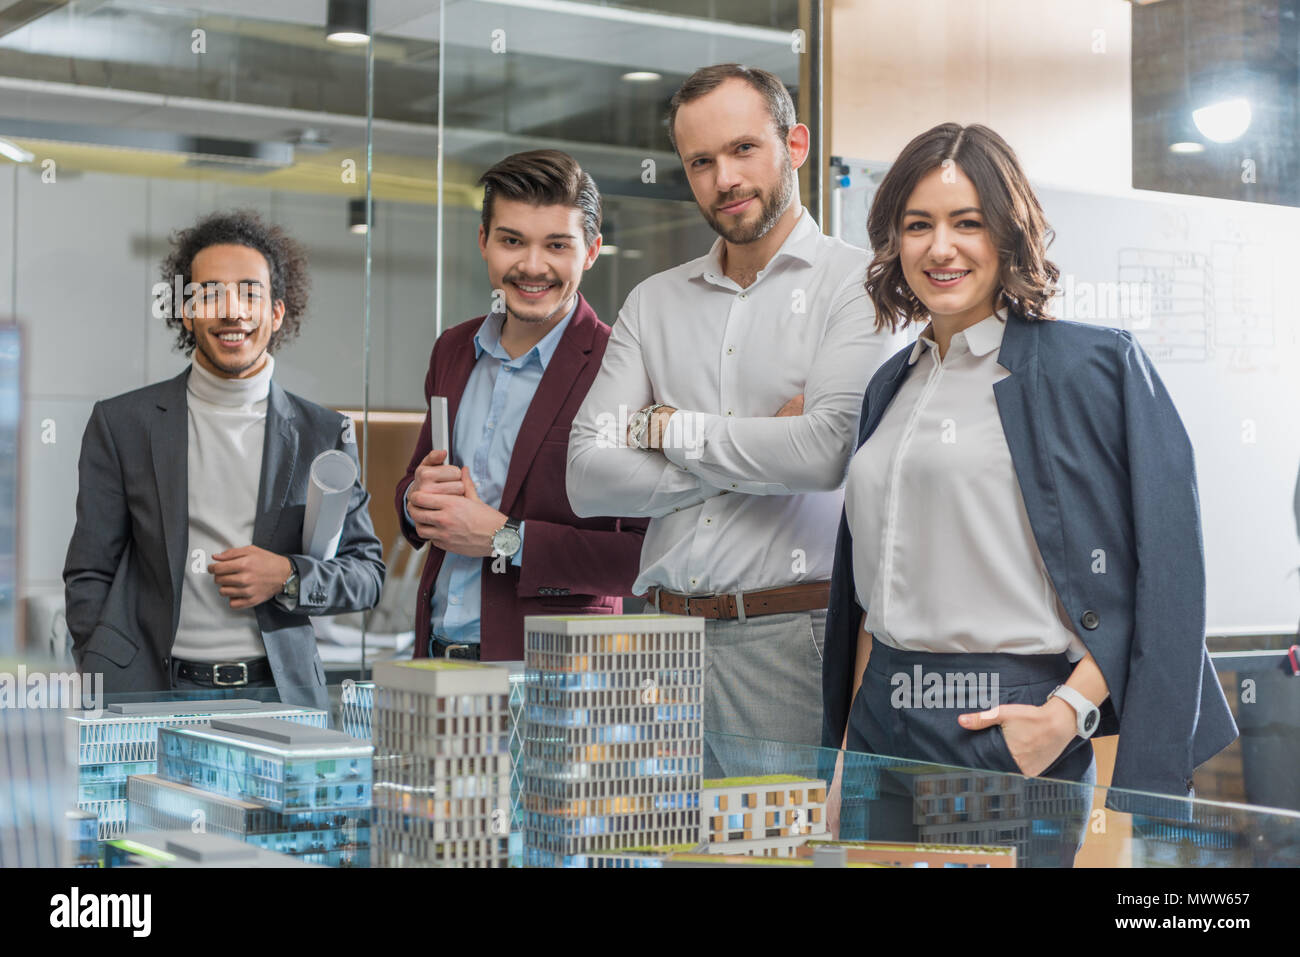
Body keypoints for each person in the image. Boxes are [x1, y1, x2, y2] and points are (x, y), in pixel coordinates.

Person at [821, 123, 1238, 857]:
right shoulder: (892, 384)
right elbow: (870, 593)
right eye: (917, 225)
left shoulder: (1093, 367)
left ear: (1009, 233)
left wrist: (1068, 713)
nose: (939, 247)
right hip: (884, 713)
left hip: (1005, 716)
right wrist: (850, 746)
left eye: (967, 222)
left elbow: (1164, 573)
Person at [567, 64, 894, 771]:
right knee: (649, 851)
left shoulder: (859, 286)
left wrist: (665, 430)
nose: (725, 179)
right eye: (701, 162)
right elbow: (587, 477)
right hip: (655, 639)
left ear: (795, 144)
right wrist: (754, 453)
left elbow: (821, 454)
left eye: (744, 149)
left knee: (777, 852)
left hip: (784, 639)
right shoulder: (654, 301)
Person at [64, 210, 385, 708]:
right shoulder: (122, 423)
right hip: (152, 690)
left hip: (278, 694)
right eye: (210, 293)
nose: (232, 312)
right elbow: (89, 572)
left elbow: (366, 572)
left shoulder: (324, 432)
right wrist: (99, 661)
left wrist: (288, 575)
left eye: (250, 293)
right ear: (186, 311)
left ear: (277, 313)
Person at [395, 150, 646, 661]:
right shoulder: (452, 349)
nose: (532, 267)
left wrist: (507, 539)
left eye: (557, 245)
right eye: (512, 241)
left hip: (559, 676)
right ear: (484, 242)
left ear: (591, 251)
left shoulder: (625, 366)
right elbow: (416, 479)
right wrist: (414, 500)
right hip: (439, 656)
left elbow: (645, 557)